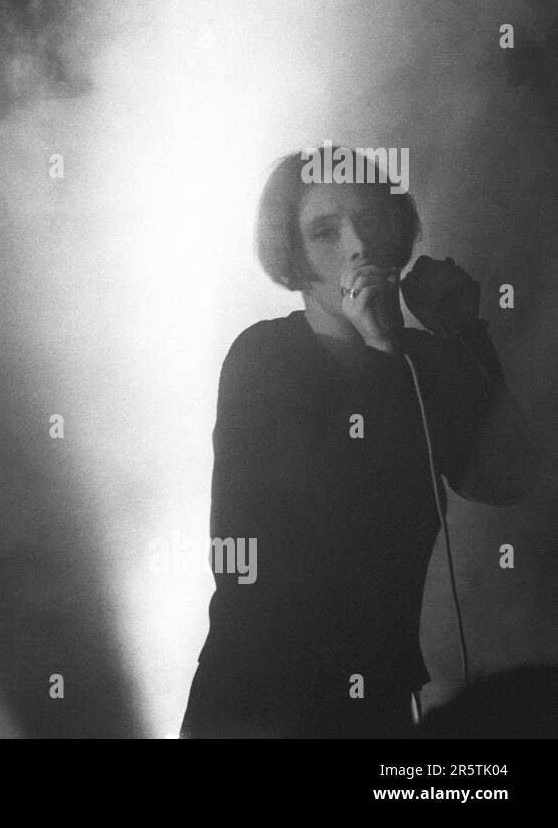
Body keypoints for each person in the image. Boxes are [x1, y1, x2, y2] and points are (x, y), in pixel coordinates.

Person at [180, 146, 555, 738]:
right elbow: (326, 514)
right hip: (261, 695)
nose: (357, 245)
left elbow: (510, 478)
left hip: (378, 692)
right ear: (294, 257)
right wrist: (383, 355)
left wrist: (467, 336)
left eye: (370, 220)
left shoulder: (427, 361)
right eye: (325, 232)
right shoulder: (263, 357)